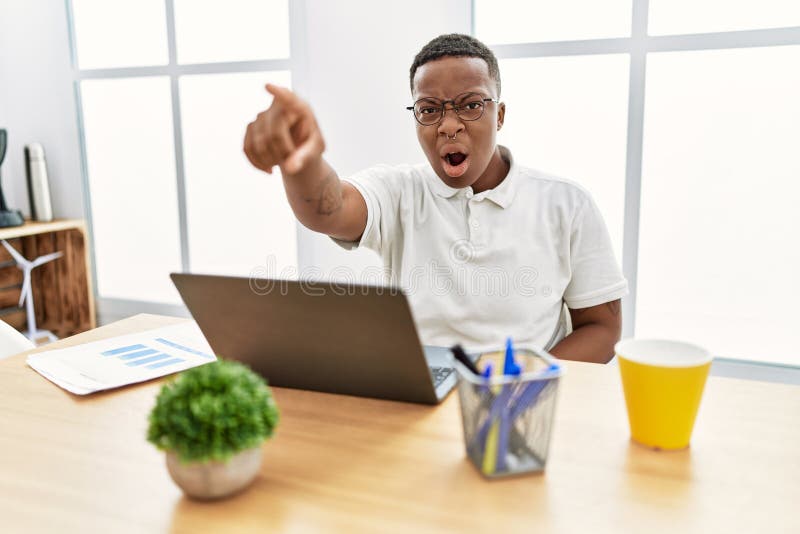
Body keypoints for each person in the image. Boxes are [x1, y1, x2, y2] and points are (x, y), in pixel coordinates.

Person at [243, 33, 627, 363]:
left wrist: (524, 382)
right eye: (429, 110)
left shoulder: (567, 204)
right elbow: (331, 209)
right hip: (421, 395)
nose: (448, 125)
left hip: (526, 398)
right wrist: (300, 161)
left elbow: (602, 328)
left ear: (500, 115)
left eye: (471, 104)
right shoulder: (399, 191)